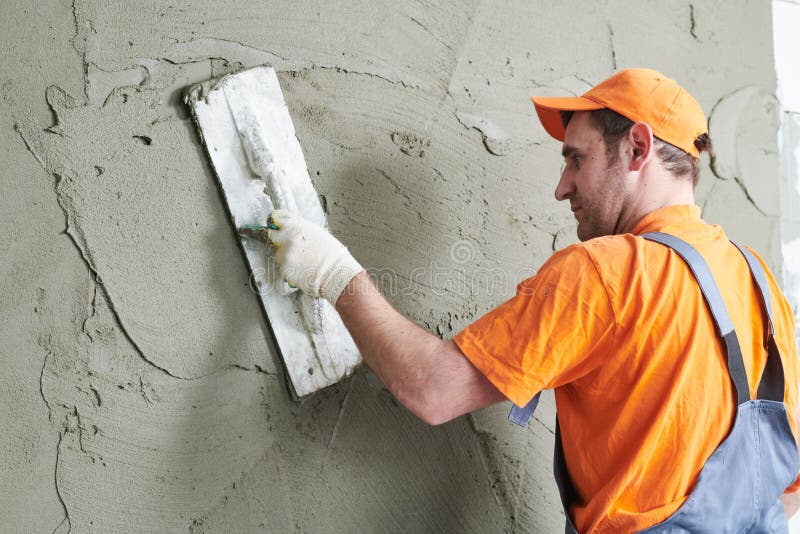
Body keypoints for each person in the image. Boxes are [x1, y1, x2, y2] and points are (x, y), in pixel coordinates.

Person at [261, 69, 800, 532]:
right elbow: (790, 486)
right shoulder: (758, 281)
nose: (562, 188)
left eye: (576, 160)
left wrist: (334, 273)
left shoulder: (607, 270)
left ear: (637, 147)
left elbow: (433, 389)